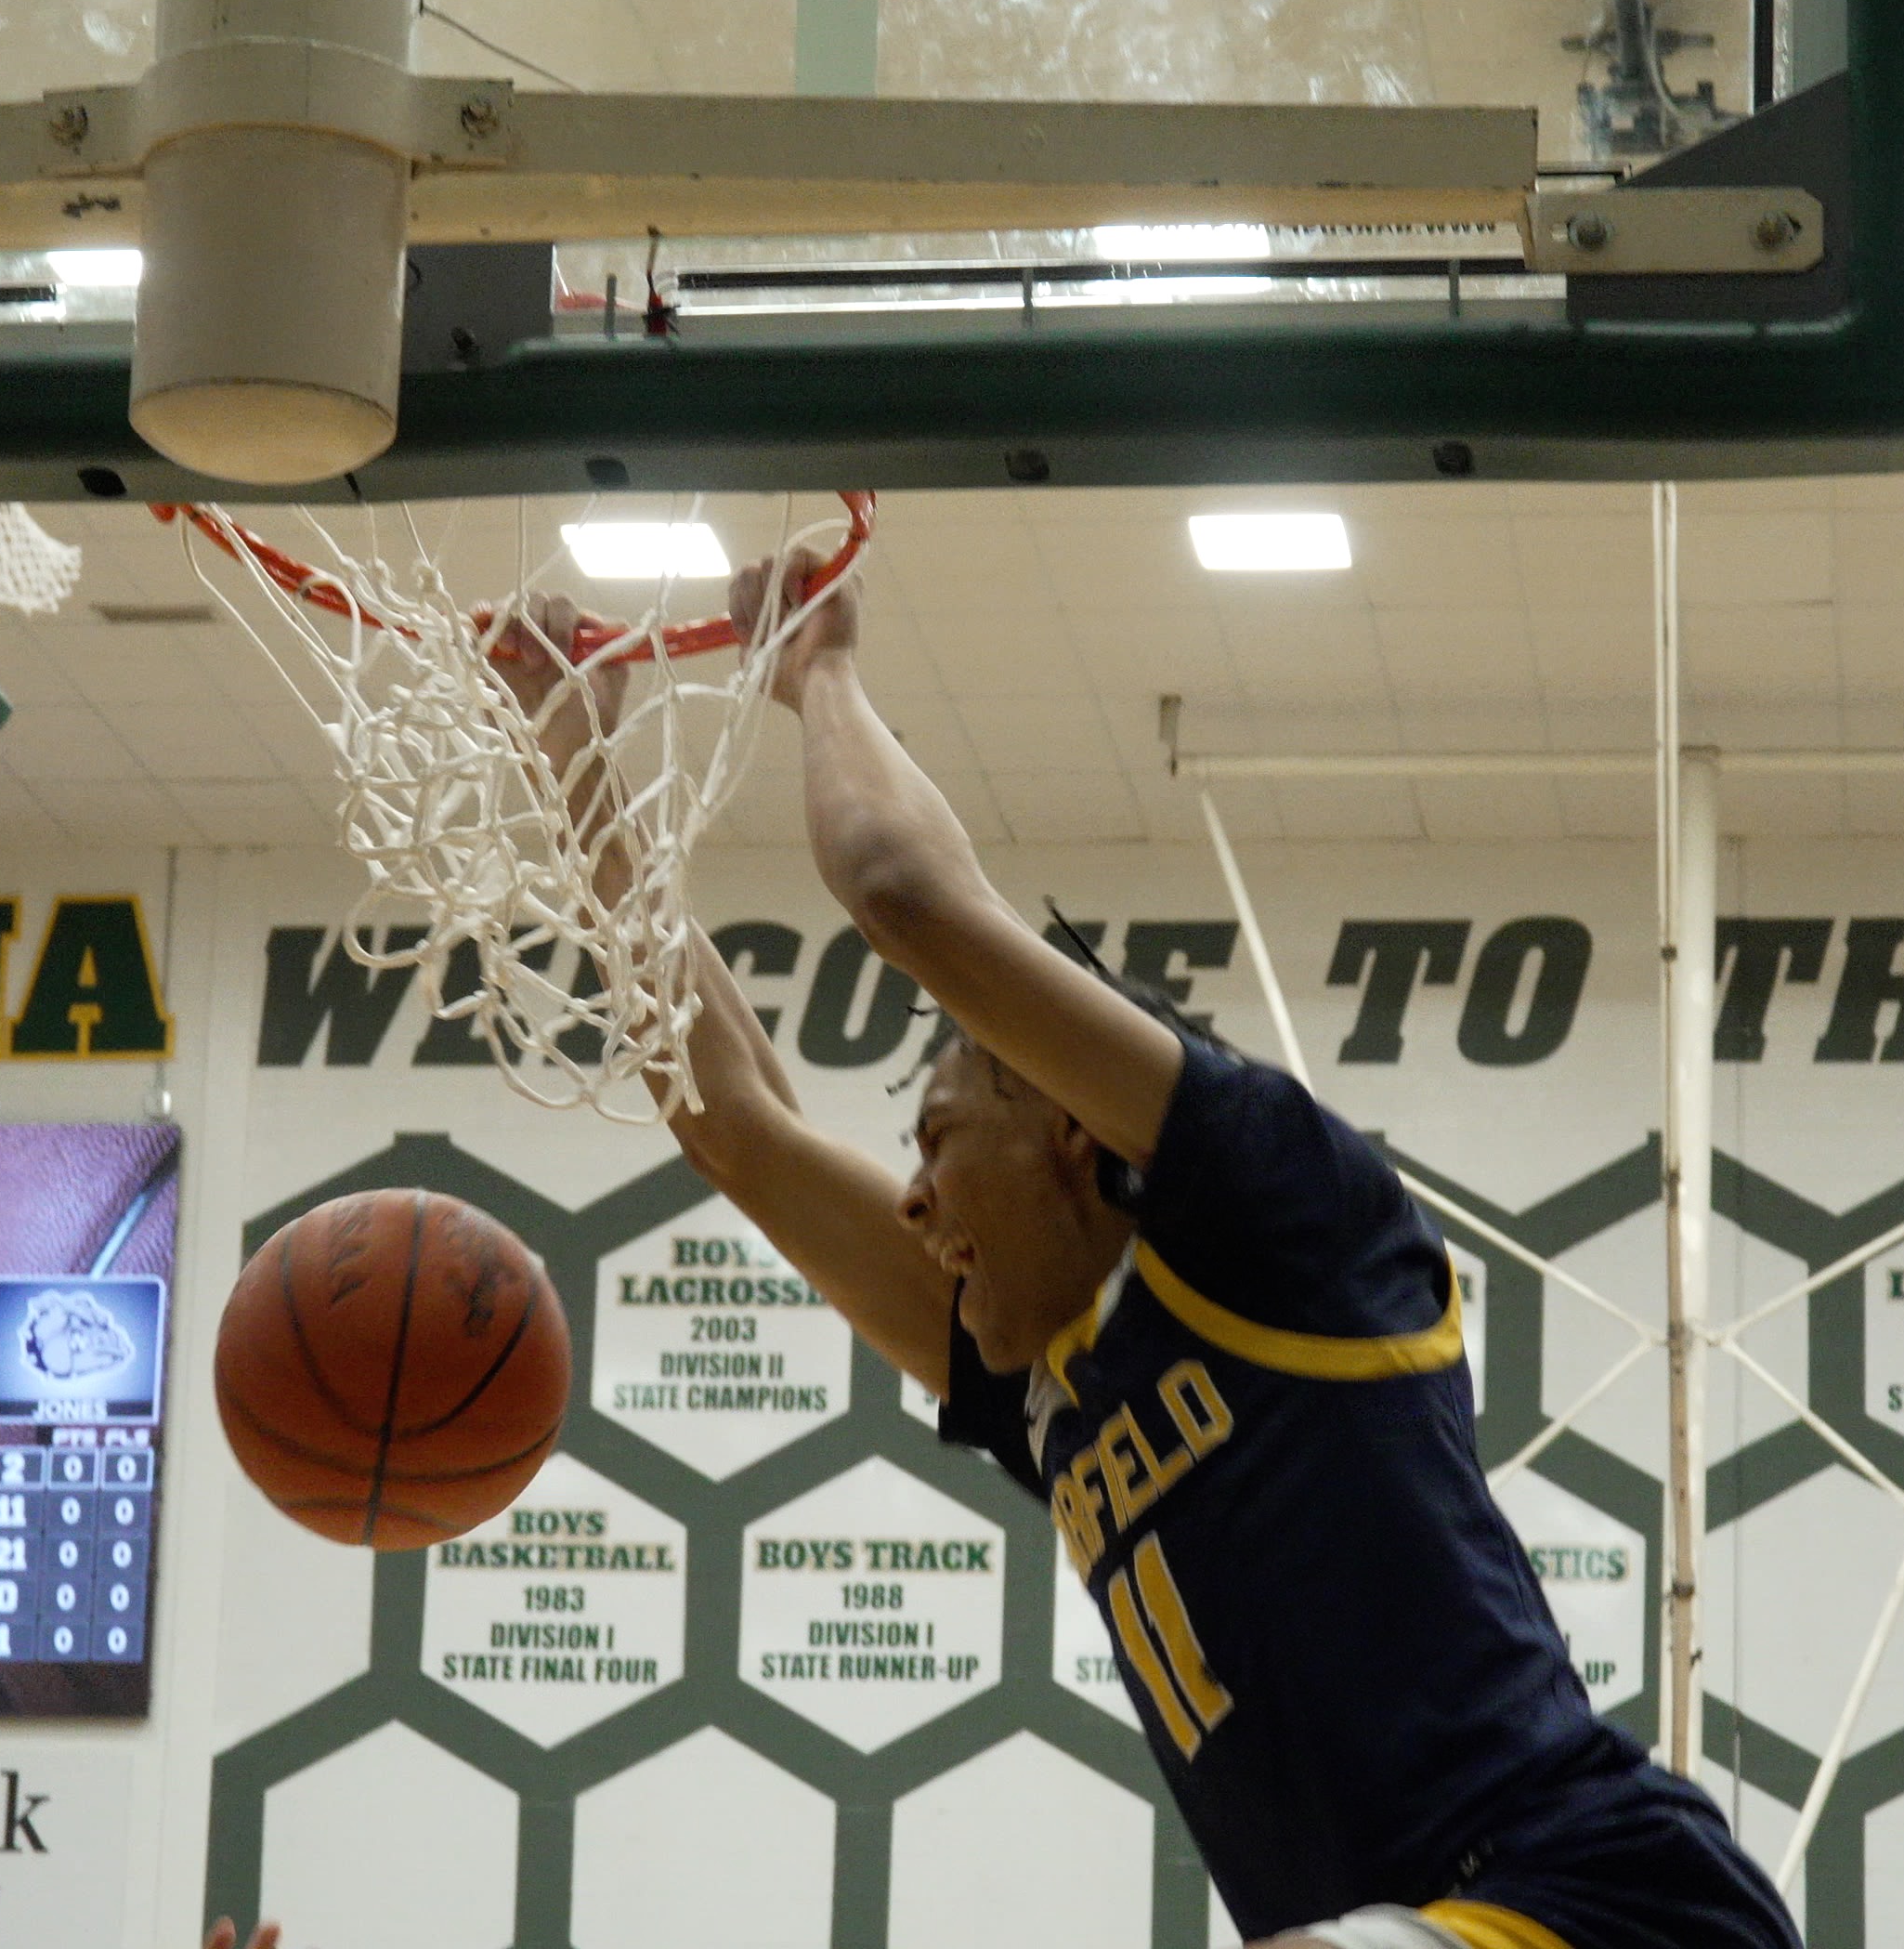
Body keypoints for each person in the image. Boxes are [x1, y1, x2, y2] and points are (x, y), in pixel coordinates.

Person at [205, 561, 1797, 1949]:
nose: (910, 1201)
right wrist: (577, 767)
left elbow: (903, 892)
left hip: (1594, 1897)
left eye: (933, 1134)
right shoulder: (1052, 1380)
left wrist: (819, 668)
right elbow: (737, 1126)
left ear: (1066, 1131)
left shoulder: (1289, 1230)